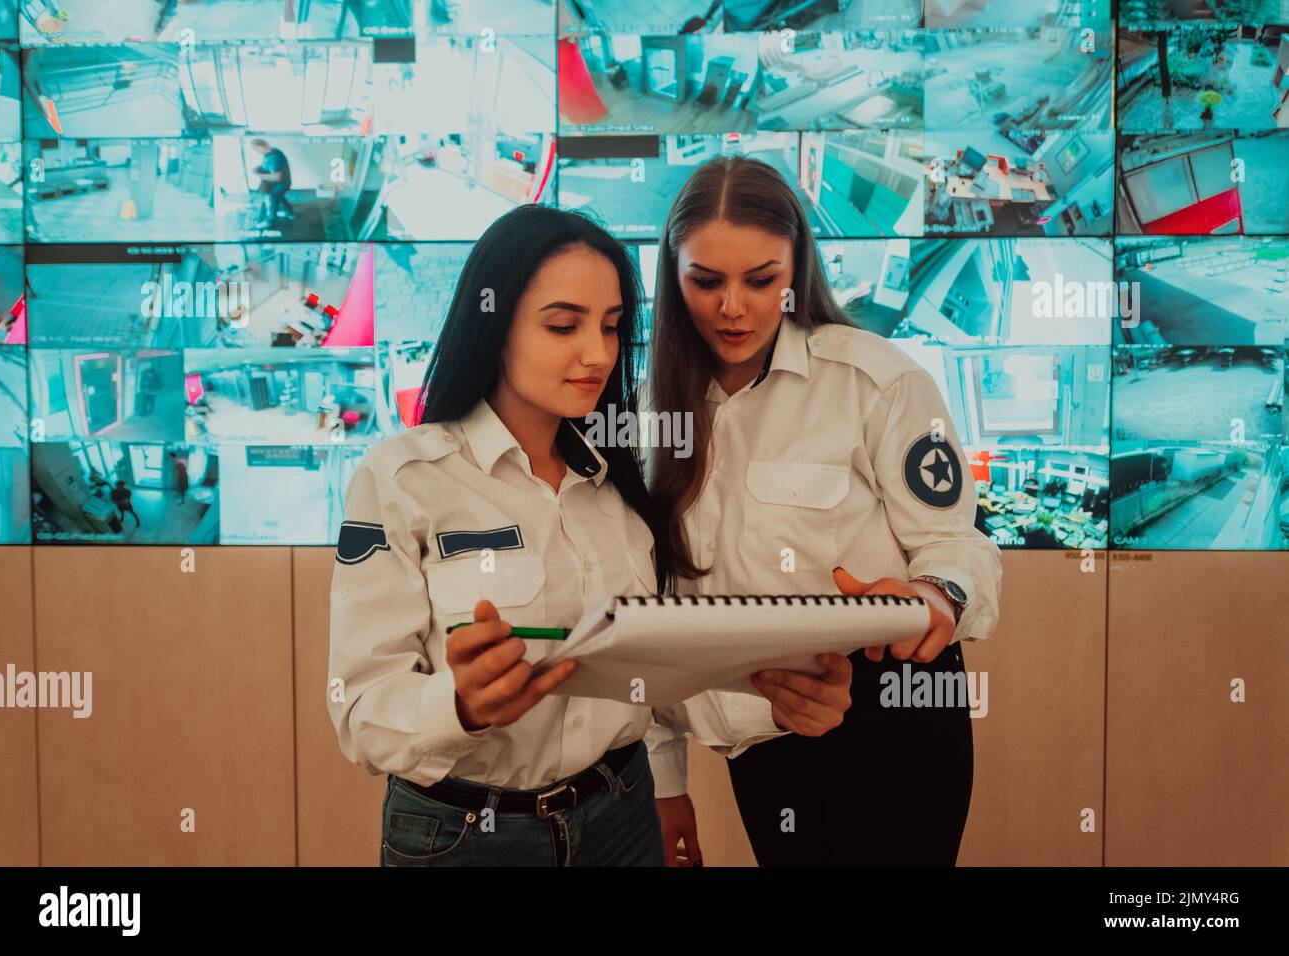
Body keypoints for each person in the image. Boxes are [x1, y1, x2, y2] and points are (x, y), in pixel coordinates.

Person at [327, 204, 853, 867]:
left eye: (611, 327)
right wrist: (457, 704)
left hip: (620, 815)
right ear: (493, 326)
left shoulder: (620, 487)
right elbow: (361, 713)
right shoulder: (404, 479)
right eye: (562, 325)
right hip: (466, 837)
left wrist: (780, 703)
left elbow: (653, 684)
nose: (598, 354)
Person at [641, 156, 1003, 866]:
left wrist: (933, 596)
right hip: (758, 735)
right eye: (706, 281)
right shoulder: (651, 416)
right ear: (671, 274)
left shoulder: (876, 381)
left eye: (761, 279)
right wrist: (664, 777)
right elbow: (651, 609)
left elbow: (957, 545)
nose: (733, 307)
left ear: (798, 269)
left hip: (889, 715)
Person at [250, 140, 295, 228]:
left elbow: (277, 177)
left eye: (258, 149)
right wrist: (259, 168)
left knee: (272, 197)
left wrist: (259, 175)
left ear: (265, 145)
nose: (257, 151)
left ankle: (270, 221)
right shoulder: (271, 153)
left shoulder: (274, 157)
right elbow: (266, 166)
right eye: (255, 150)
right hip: (279, 183)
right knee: (279, 197)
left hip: (281, 184)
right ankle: (290, 213)